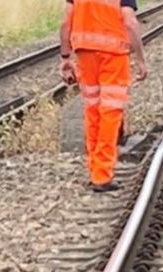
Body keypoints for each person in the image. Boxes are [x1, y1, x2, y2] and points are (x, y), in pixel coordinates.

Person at [59, 0, 148, 192]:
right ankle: (102, 175)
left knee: (93, 110)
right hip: (113, 56)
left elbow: (66, 23)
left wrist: (65, 57)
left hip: (85, 54)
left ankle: (95, 169)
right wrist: (140, 58)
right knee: (110, 112)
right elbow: (130, 22)